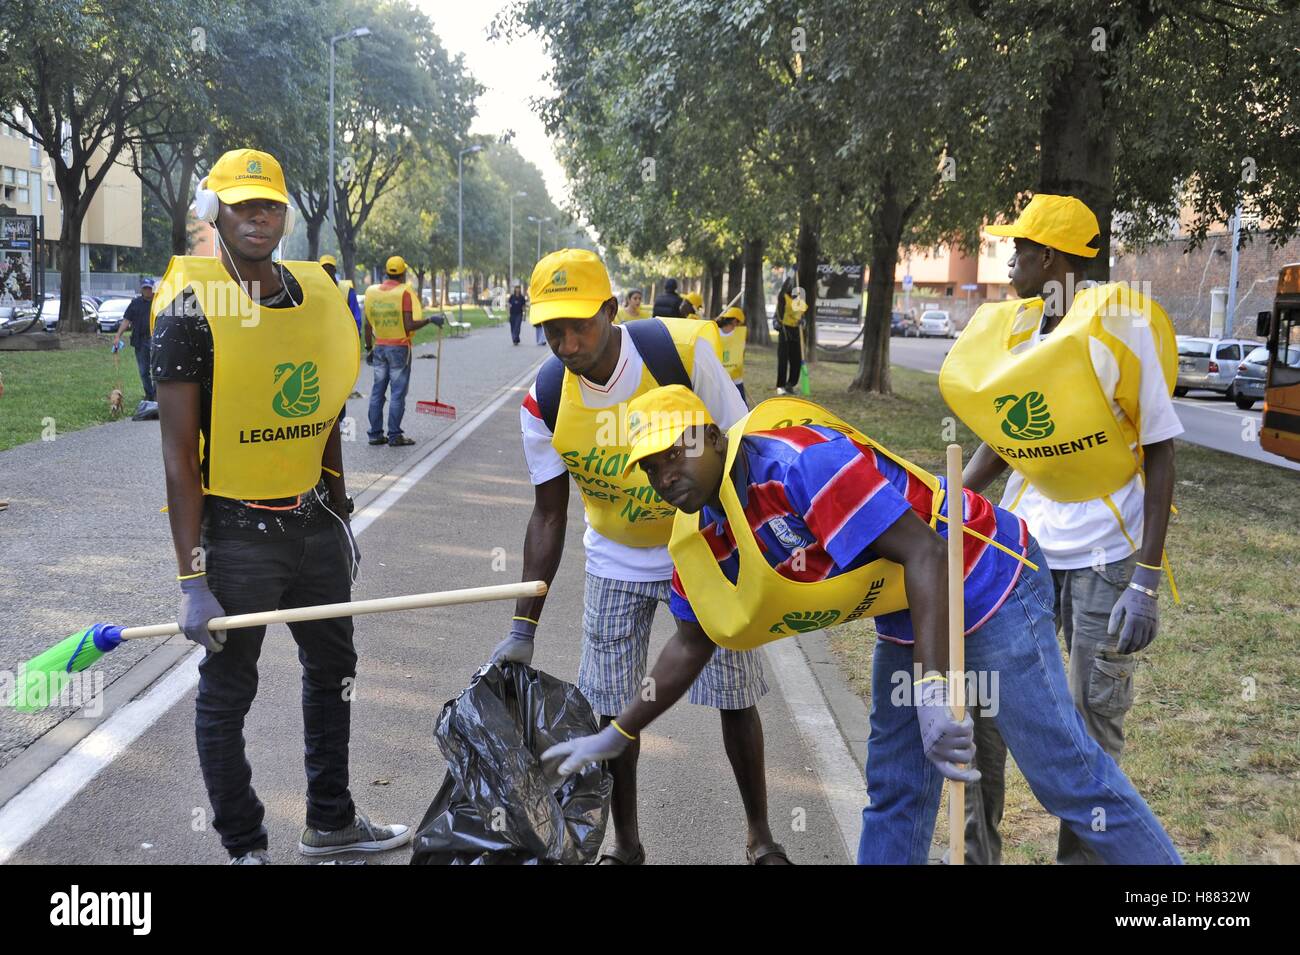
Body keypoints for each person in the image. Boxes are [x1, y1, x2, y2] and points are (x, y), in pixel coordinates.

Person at [542, 385, 1182, 866]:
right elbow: (691, 639)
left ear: (712, 437)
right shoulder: (702, 535)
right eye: (650, 469)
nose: (664, 476)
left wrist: (931, 693)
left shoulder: (801, 464)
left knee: (1064, 777)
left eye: (672, 454)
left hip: (988, 578)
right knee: (898, 790)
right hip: (911, 611)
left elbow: (929, 553)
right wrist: (620, 733)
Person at [150, 147, 408, 864]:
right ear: (214, 213)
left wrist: (341, 505)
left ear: (285, 215)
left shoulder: (318, 294)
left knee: (336, 671)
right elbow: (178, 461)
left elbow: (324, 412)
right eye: (242, 206)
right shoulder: (188, 310)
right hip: (235, 535)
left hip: (313, 524)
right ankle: (244, 847)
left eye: (268, 206)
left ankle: (330, 821)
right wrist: (191, 580)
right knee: (228, 692)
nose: (257, 219)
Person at [489, 249, 785, 865]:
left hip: (703, 547)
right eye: (552, 330)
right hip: (615, 559)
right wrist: (523, 626)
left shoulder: (680, 354)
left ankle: (760, 836)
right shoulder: (543, 401)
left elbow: (744, 445)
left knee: (735, 694)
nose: (567, 344)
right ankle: (626, 847)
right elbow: (549, 514)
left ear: (609, 309)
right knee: (611, 710)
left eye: (579, 325)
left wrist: (753, 554)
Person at [939, 193, 1183, 865]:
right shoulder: (1020, 329)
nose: (1009, 258)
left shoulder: (1118, 326)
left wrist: (1148, 577)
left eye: (1018, 248)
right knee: (985, 704)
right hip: (1025, 551)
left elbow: (1160, 449)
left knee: (1089, 726)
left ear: (1049, 257)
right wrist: (952, 499)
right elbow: (1008, 435)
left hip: (1107, 557)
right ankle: (975, 855)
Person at [362, 255, 436, 447]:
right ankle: (394, 435)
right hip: (399, 349)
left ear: (386, 272)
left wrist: (369, 347)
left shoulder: (372, 293)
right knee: (397, 394)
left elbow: (367, 325)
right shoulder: (403, 293)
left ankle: (375, 434)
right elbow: (409, 324)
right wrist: (429, 320)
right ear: (402, 274)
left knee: (377, 391)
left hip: (380, 346)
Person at [112, 278, 157, 402]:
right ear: (141, 289)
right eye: (145, 288)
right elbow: (127, 320)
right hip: (140, 341)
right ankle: (149, 395)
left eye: (149, 288)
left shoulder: (159, 302)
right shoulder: (135, 303)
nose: (147, 290)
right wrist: (117, 336)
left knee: (157, 370)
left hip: (156, 341)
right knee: (143, 371)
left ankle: (157, 395)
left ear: (153, 288)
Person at [319, 254, 363, 340]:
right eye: (324, 269)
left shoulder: (347, 291)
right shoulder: (316, 291)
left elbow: (356, 317)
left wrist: (356, 335)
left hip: (344, 338)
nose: (327, 272)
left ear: (334, 270)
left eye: (329, 268)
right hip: (324, 339)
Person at [774, 273, 805, 394]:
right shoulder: (781, 302)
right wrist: (779, 325)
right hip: (784, 333)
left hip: (796, 334)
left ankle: (791, 384)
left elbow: (803, 318)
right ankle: (780, 386)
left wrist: (802, 321)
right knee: (782, 360)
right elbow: (775, 319)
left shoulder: (799, 301)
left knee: (796, 360)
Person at [716, 305, 747, 404]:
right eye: (739, 323)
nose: (740, 326)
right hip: (722, 379)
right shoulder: (714, 332)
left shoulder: (715, 332)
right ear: (734, 321)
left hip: (734, 378)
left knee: (740, 406)